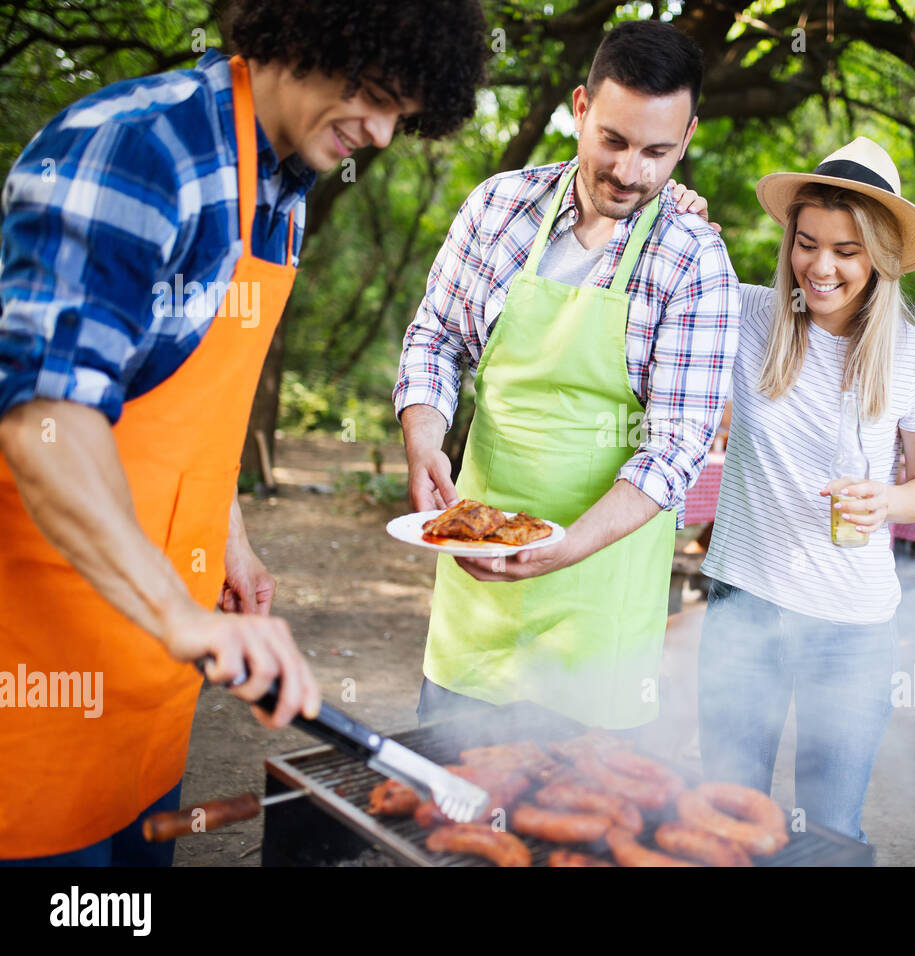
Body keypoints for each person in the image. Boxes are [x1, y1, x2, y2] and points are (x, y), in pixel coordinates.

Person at [0, 0, 487, 865]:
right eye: (371, 94)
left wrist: (226, 535)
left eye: (401, 114)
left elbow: (180, 393)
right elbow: (48, 419)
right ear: (303, 31)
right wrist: (180, 620)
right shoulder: (137, 152)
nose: (378, 134)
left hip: (150, 680)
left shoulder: (284, 188)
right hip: (34, 679)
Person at [396, 20, 740, 731]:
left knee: (572, 823)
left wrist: (567, 545)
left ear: (689, 134)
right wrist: (424, 435)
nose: (631, 172)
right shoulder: (496, 209)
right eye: (613, 140)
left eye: (658, 151)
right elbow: (437, 337)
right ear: (580, 108)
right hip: (477, 572)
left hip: (600, 597)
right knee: (447, 817)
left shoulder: (694, 261)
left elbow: (676, 445)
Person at [696, 137, 915, 843]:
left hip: (853, 631)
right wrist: (683, 226)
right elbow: (653, 287)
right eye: (807, 244)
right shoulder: (744, 314)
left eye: (847, 251)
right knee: (724, 823)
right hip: (743, 606)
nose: (821, 267)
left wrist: (887, 501)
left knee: (830, 833)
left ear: (881, 258)